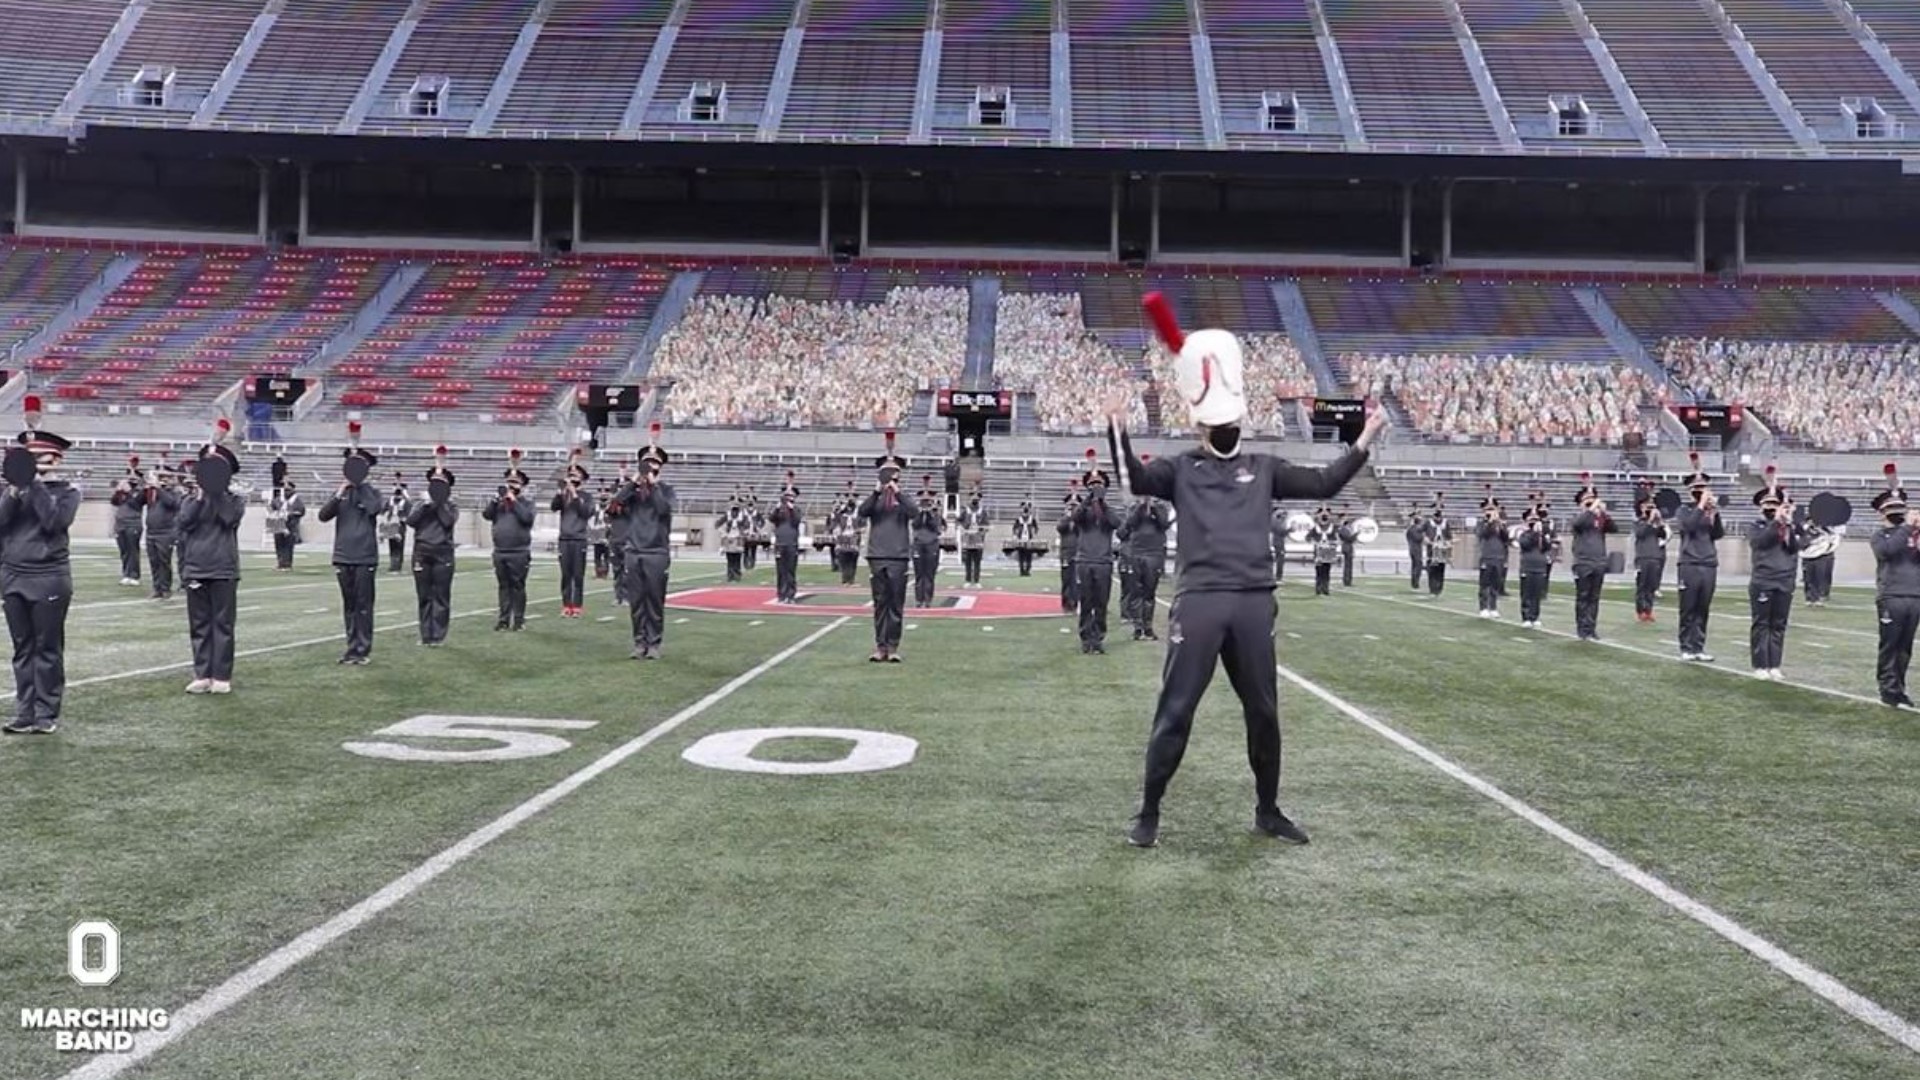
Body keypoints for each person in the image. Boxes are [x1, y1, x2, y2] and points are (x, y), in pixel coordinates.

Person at [1113, 299, 1386, 848]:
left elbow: (1326, 482)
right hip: (1200, 599)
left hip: (1255, 601)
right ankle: (1148, 812)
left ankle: (1268, 808)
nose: (1226, 428)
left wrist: (1365, 437)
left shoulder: (1264, 469)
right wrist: (1117, 428)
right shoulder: (1180, 469)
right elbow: (1137, 481)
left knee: (1264, 710)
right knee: (1177, 708)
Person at [0, 402, 80, 735]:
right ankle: (25, 710)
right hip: (14, 576)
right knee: (22, 648)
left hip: (48, 578)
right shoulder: (10, 492)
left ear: (55, 460)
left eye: (38, 459)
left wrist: (34, 486)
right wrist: (14, 492)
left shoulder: (68, 492)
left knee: (47, 648)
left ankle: (46, 713)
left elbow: (52, 523)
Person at [179, 426, 244, 694]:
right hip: (196, 567)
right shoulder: (191, 500)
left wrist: (215, 493)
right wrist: (201, 495)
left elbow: (228, 519)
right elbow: (184, 522)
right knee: (199, 625)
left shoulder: (234, 500)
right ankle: (202, 673)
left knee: (223, 624)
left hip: (223, 568)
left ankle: (221, 675)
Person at [319, 424, 383, 666]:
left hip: (365, 557)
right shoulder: (342, 493)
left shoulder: (372, 492)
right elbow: (324, 515)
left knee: (364, 606)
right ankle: (351, 647)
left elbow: (375, 509)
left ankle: (362, 649)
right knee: (349, 606)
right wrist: (339, 493)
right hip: (343, 556)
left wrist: (360, 486)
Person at [617, 439, 675, 660]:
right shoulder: (633, 492)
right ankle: (639, 642)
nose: (649, 467)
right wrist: (633, 483)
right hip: (634, 551)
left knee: (654, 600)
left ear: (660, 467)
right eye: (646, 463)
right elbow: (614, 506)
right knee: (636, 601)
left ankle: (654, 643)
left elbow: (663, 510)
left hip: (656, 552)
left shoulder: (666, 490)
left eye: (654, 463)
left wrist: (654, 484)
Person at [859, 439, 915, 663]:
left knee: (896, 604)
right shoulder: (875, 499)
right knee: (880, 603)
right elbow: (863, 512)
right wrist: (876, 491)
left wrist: (898, 492)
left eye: (894, 472)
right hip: (877, 555)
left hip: (899, 556)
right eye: (886, 472)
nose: (890, 476)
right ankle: (880, 646)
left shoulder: (904, 498)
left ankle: (893, 646)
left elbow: (914, 513)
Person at [1870, 475, 1919, 709]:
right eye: (1891, 509)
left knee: (1905, 648)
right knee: (1890, 644)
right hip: (1891, 596)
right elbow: (1887, 552)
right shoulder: (1880, 536)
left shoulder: (1910, 536)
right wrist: (1908, 528)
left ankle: (1899, 689)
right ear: (1882, 513)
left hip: (1914, 596)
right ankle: (1887, 688)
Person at [1746, 482, 1801, 680]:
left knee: (1778, 625)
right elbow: (1761, 543)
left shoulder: (1787, 526)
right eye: (1767, 504)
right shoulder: (1756, 526)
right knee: (1761, 624)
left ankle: (1775, 664)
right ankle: (1760, 665)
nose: (1770, 507)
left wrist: (1788, 525)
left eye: (1774, 503)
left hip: (1784, 581)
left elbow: (1794, 548)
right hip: (1763, 580)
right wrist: (1776, 522)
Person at [1071, 460, 1122, 654]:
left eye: (1099, 485)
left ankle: (1098, 638)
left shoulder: (1108, 510)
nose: (1096, 488)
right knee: (1086, 602)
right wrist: (1087, 500)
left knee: (1101, 603)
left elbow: (1117, 524)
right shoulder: (1084, 511)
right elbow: (1074, 518)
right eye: (1092, 485)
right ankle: (1086, 639)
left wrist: (1102, 503)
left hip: (1103, 562)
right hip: (1084, 561)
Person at [1676, 463, 1725, 663]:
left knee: (1703, 608)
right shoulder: (1684, 510)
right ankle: (1686, 646)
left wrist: (1714, 514)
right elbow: (1688, 526)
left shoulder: (1708, 511)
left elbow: (1718, 534)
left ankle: (1699, 646)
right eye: (1697, 488)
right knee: (1688, 607)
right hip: (1689, 563)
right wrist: (1700, 505)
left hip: (1708, 563)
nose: (1700, 491)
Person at [408, 465, 459, 647]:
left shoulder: (451, 505)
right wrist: (426, 505)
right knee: (424, 595)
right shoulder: (421, 503)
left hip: (443, 553)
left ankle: (438, 635)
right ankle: (425, 635)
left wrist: (438, 503)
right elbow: (411, 521)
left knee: (441, 596)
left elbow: (447, 522)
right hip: (422, 552)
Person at [484, 452, 535, 632]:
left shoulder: (526, 503)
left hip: (519, 552)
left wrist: (514, 502)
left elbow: (527, 519)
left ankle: (519, 620)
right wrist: (495, 501)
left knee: (518, 586)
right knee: (503, 586)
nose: (511, 486)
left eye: (515, 483)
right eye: (509, 482)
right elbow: (487, 515)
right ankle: (503, 619)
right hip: (500, 551)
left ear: (522, 486)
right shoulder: (499, 503)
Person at [1119, 491, 1170, 640]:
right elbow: (1130, 524)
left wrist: (1153, 508)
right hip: (1136, 553)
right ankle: (1138, 627)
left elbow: (1164, 524)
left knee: (1149, 592)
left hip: (1154, 554)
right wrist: (1141, 507)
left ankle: (1148, 627)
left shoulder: (1161, 507)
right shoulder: (1134, 507)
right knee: (1135, 592)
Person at [1570, 484, 1614, 642]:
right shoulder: (1579, 518)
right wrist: (1590, 508)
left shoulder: (1599, 519)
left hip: (1598, 562)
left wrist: (1603, 512)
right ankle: (1582, 629)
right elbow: (1578, 524)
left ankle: (1591, 628)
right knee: (1583, 596)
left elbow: (1613, 527)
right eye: (1586, 501)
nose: (1590, 503)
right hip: (1583, 562)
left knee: (1594, 598)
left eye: (1592, 500)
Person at [552, 453, 593, 618]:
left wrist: (575, 494)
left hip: (579, 540)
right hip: (564, 539)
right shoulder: (564, 495)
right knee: (565, 575)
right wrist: (561, 491)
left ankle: (577, 605)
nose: (572, 478)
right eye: (571, 475)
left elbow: (585, 513)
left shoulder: (587, 497)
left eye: (576, 475)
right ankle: (566, 604)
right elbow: (554, 506)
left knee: (578, 575)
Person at [144, 462, 182, 601]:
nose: (162, 479)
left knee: (164, 562)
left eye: (164, 477)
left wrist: (159, 488)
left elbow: (172, 503)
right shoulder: (153, 493)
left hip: (165, 532)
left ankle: (165, 588)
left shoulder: (175, 492)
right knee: (154, 562)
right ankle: (157, 588)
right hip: (151, 532)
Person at [1632, 500, 1668, 623]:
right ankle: (1640, 611)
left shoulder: (1655, 524)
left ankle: (1649, 610)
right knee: (1642, 586)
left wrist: (1659, 521)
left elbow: (1663, 535)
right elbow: (1640, 533)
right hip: (1642, 557)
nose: (1649, 509)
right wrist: (1649, 520)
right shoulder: (1638, 522)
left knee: (1651, 586)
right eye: (1646, 507)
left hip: (1655, 557)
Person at [1517, 507, 1552, 629]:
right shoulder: (1524, 534)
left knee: (1537, 594)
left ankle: (1535, 616)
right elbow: (1525, 544)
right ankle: (1526, 616)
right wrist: (1533, 532)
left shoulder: (1542, 536)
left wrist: (1541, 534)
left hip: (1539, 567)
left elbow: (1547, 547)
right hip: (1527, 566)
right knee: (1527, 593)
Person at [110, 458, 143, 586]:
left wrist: (129, 491)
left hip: (133, 523)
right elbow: (114, 502)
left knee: (133, 550)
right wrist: (118, 491)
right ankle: (126, 574)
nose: (130, 477)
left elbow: (136, 504)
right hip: (121, 524)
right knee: (124, 550)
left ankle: (134, 575)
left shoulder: (139, 492)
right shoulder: (122, 492)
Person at [1476, 498, 1508, 619]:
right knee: (1485, 583)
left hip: (1498, 557)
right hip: (1486, 556)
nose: (1490, 511)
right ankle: (1483, 607)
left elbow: (1506, 538)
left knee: (1496, 584)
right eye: (1488, 509)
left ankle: (1493, 606)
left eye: (1493, 509)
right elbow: (1483, 534)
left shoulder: (1500, 524)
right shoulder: (1482, 523)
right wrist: (1490, 522)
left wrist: (1499, 523)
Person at [910, 488, 943, 606]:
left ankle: (928, 599)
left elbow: (935, 527)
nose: (925, 502)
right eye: (923, 499)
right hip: (918, 543)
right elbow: (915, 524)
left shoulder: (936, 512)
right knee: (919, 573)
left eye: (928, 499)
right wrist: (921, 512)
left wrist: (929, 513)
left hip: (931, 544)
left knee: (929, 573)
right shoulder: (916, 511)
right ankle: (919, 599)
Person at [771, 488, 803, 604]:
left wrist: (791, 508)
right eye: (787, 496)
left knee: (790, 571)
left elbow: (797, 520)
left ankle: (791, 595)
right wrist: (778, 507)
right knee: (780, 571)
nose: (789, 498)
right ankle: (781, 594)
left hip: (792, 544)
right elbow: (772, 519)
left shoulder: (796, 510)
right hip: (780, 543)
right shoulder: (780, 510)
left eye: (792, 496)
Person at [1801, 518, 1837, 607]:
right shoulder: (1804, 529)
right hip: (1807, 557)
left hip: (1820, 557)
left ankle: (1817, 598)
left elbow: (1833, 540)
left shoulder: (1825, 530)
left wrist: (1826, 550)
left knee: (1819, 577)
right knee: (1808, 578)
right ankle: (1809, 598)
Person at [1056, 488, 1079, 612]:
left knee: (1076, 580)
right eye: (1071, 507)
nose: (1073, 509)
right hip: (1066, 552)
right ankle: (1066, 602)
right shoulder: (1063, 519)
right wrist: (1068, 517)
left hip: (1078, 552)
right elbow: (1060, 528)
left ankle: (1075, 602)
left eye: (1074, 507)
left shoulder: (1080, 520)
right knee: (1066, 579)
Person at [959, 494, 989, 588]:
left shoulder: (982, 511)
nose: (975, 500)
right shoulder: (966, 510)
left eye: (976, 499)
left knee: (977, 561)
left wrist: (983, 531)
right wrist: (962, 528)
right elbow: (958, 521)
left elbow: (986, 524)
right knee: (967, 561)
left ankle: (976, 580)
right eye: (973, 498)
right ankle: (968, 580)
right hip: (968, 538)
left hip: (978, 538)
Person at [381, 478, 411, 574]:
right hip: (391, 525)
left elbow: (410, 512)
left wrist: (403, 518)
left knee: (399, 546)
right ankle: (393, 565)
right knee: (392, 545)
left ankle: (397, 566)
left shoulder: (405, 502)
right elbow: (383, 510)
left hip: (400, 526)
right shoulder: (390, 500)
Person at [1308, 508, 1338, 597]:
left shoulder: (1333, 527)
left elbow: (1336, 538)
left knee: (1327, 571)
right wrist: (1314, 542)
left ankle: (1325, 589)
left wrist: (1334, 543)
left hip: (1328, 552)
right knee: (1319, 571)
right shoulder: (1315, 528)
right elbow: (1308, 537)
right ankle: (1318, 589)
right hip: (1318, 552)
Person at [1423, 510, 1452, 598]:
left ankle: (1439, 589)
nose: (1438, 519)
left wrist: (1448, 543)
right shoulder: (1428, 523)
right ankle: (1432, 588)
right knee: (1432, 571)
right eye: (1436, 517)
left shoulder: (1445, 523)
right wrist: (1426, 539)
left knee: (1440, 570)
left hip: (1442, 550)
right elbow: (1423, 533)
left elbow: (1449, 536)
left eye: (1439, 517)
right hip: (1432, 550)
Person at [1010, 501, 1040, 577]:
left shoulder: (1032, 519)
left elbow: (1036, 527)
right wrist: (1015, 535)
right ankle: (1021, 571)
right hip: (1021, 539)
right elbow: (1014, 528)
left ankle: (1028, 570)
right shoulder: (1019, 519)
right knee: (1021, 556)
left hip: (1029, 539)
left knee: (1029, 556)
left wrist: (1035, 534)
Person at [1404, 505, 1426, 590]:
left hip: (1412, 549)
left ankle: (1414, 582)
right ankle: (1415, 583)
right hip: (1416, 549)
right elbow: (1419, 538)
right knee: (1418, 566)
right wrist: (1423, 537)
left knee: (1415, 566)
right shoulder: (1416, 530)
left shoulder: (1410, 529)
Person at [1337, 512, 1358, 587]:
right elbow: (1348, 538)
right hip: (1347, 547)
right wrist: (1356, 534)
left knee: (1349, 565)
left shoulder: (1346, 528)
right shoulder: (1342, 529)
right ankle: (1347, 581)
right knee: (1347, 565)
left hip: (1349, 547)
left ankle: (1348, 580)